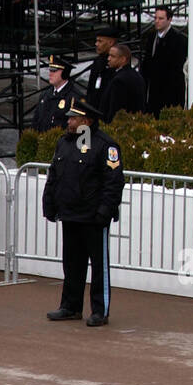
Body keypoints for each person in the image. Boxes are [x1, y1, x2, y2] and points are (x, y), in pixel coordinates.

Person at [43, 97, 125, 327]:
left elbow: (113, 181)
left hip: (93, 217)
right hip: (70, 214)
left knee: (99, 267)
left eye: (73, 118)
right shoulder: (64, 143)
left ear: (86, 121)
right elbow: (55, 175)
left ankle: (100, 310)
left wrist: (104, 211)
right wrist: (49, 202)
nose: (68, 122)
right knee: (71, 264)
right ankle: (70, 306)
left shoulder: (104, 145)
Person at [139, 6, 186, 116]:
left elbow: (176, 67)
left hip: (169, 89)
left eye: (161, 19)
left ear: (169, 20)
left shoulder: (178, 40)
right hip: (153, 88)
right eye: (155, 18)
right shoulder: (151, 37)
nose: (157, 21)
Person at [32, 56, 79, 132]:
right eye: (50, 70)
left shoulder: (74, 97)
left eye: (54, 70)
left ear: (65, 73)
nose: (50, 74)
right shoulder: (45, 95)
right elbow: (35, 121)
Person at [102, 44, 146, 123]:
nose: (108, 59)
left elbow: (115, 110)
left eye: (112, 56)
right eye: (109, 55)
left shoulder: (119, 80)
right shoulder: (137, 75)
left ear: (123, 59)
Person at [84, 25, 119, 114]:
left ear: (111, 42)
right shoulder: (98, 61)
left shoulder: (117, 63)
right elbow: (90, 88)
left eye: (100, 41)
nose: (96, 44)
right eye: (96, 41)